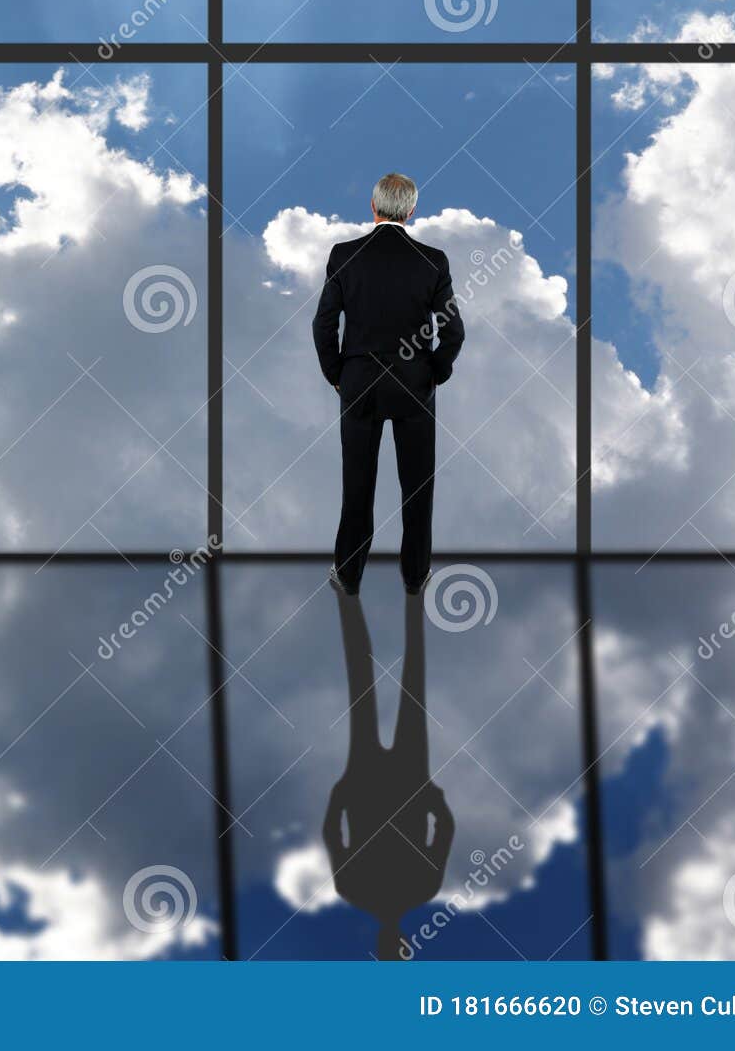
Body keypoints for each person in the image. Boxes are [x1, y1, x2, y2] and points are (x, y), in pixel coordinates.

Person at [312, 173, 464, 596]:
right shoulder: (433, 260)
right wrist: (434, 374)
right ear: (411, 210)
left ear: (373, 206)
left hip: (358, 382)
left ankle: (348, 575)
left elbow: (324, 324)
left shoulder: (344, 255)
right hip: (414, 385)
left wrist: (337, 374)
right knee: (417, 487)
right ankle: (415, 576)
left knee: (357, 485)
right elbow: (453, 332)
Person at [322, 581, 455, 960]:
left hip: (399, 784)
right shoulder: (352, 890)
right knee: (364, 683)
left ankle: (410, 596)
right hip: (378, 785)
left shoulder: (422, 889)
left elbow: (445, 829)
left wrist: (434, 799)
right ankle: (353, 597)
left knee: (409, 682)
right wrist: (340, 795)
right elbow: (332, 833)